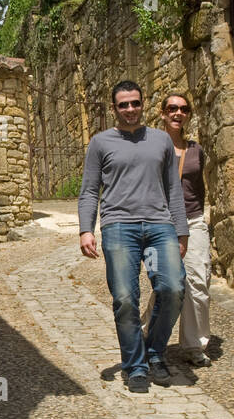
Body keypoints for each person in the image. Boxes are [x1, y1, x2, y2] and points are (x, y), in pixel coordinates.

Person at [78, 81, 188, 394]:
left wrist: (182, 232)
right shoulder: (100, 143)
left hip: (159, 225)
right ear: (114, 108)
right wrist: (86, 228)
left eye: (135, 103)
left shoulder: (161, 141)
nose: (130, 109)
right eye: (123, 104)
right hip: (118, 226)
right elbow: (89, 190)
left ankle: (155, 353)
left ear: (143, 104)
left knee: (173, 287)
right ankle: (135, 366)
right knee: (125, 299)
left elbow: (173, 189)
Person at [144, 92, 212, 366]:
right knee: (167, 285)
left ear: (188, 115)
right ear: (162, 113)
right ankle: (145, 333)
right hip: (161, 224)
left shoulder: (196, 150)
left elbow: (200, 189)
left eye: (184, 109)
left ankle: (195, 344)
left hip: (193, 221)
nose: (178, 113)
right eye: (172, 108)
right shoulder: (149, 148)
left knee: (198, 281)